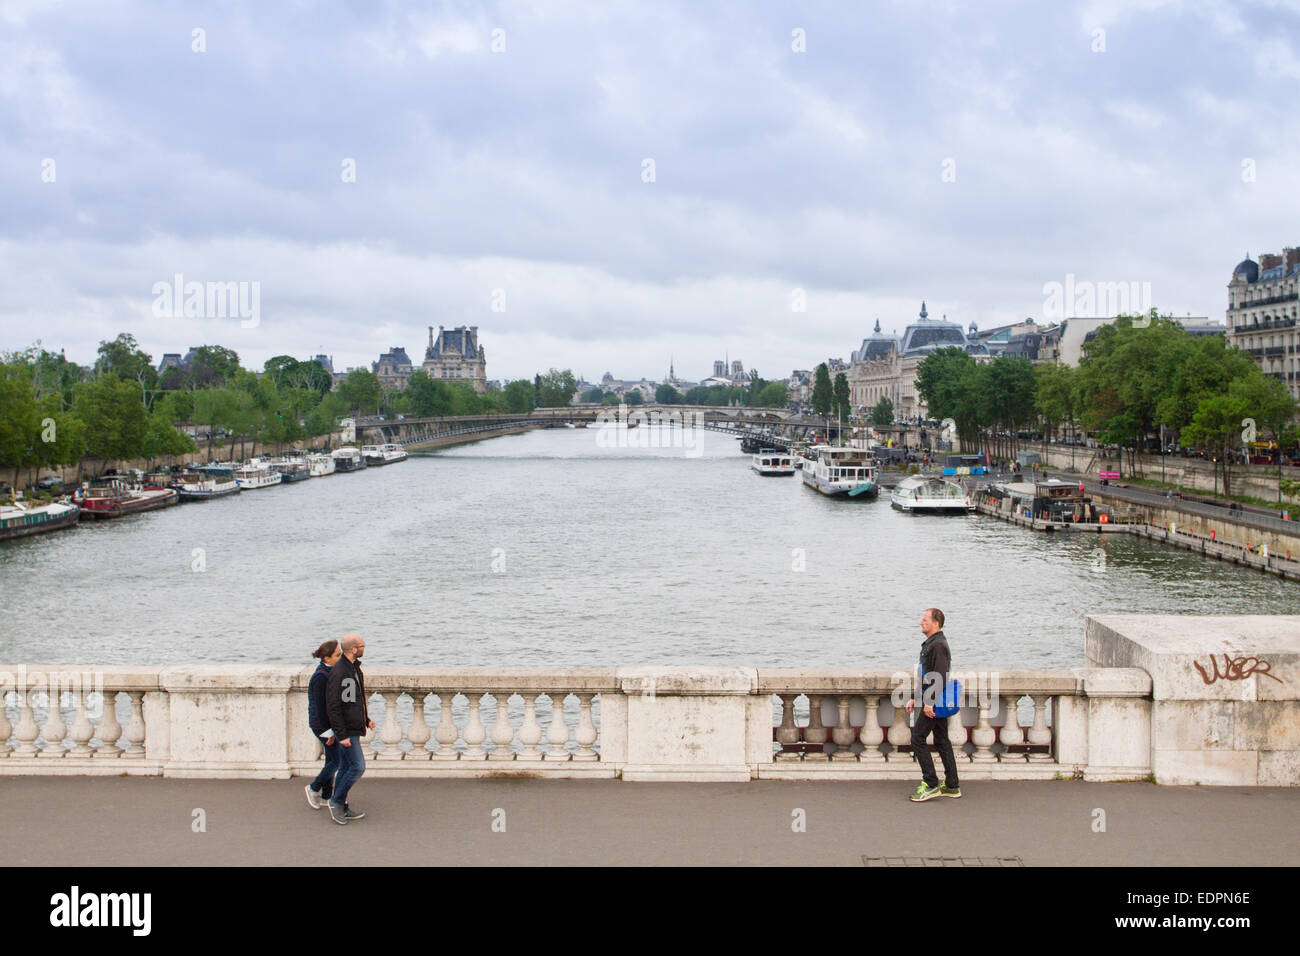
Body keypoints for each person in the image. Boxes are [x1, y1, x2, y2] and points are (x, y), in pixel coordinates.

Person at [906, 608, 961, 802]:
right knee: (941, 740)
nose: (921, 622)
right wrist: (915, 698)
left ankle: (930, 784)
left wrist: (929, 703)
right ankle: (952, 785)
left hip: (935, 703)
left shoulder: (938, 646)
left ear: (936, 623)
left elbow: (940, 677)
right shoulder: (932, 644)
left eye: (925, 619)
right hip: (934, 700)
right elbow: (926, 676)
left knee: (918, 738)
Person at [325, 633, 376, 825]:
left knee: (346, 767)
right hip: (346, 730)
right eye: (362, 645)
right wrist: (341, 734)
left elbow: (353, 701)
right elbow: (334, 706)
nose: (364, 648)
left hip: (352, 726)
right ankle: (335, 801)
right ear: (353, 649)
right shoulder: (340, 672)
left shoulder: (353, 669)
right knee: (357, 767)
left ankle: (341, 805)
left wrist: (366, 719)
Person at [304, 640, 341, 810]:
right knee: (336, 761)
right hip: (322, 726)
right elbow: (321, 707)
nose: (340, 658)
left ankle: (327, 795)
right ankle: (313, 787)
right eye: (337, 655)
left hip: (327, 724)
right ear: (327, 658)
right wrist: (330, 732)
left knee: (332, 759)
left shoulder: (329, 672)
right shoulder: (321, 677)